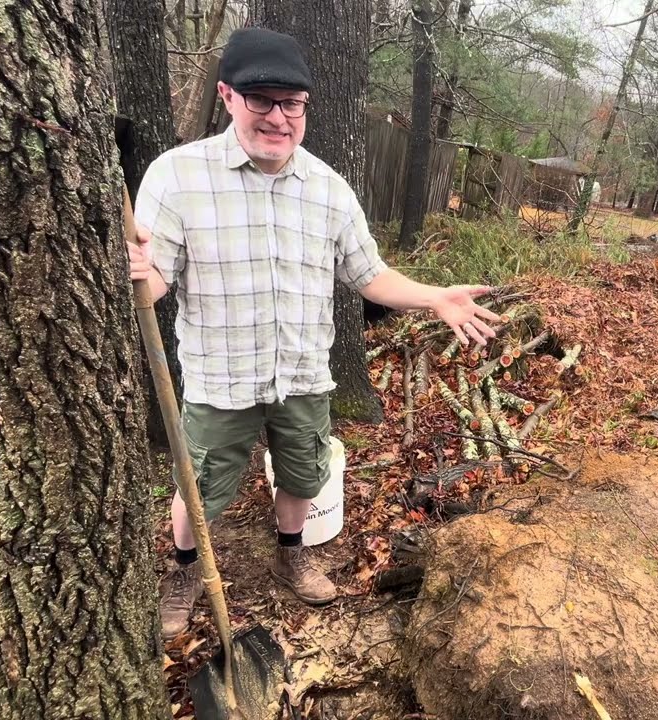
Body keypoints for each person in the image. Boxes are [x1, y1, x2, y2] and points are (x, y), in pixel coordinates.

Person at [128, 27, 501, 640]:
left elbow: (370, 275)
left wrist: (435, 297)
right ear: (227, 96)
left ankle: (292, 551)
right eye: (261, 100)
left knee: (304, 473)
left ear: (305, 107)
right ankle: (187, 569)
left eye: (291, 103)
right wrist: (140, 272)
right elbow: (156, 283)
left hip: (302, 374)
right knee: (200, 484)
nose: (278, 117)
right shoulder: (178, 176)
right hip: (220, 376)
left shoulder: (328, 188)